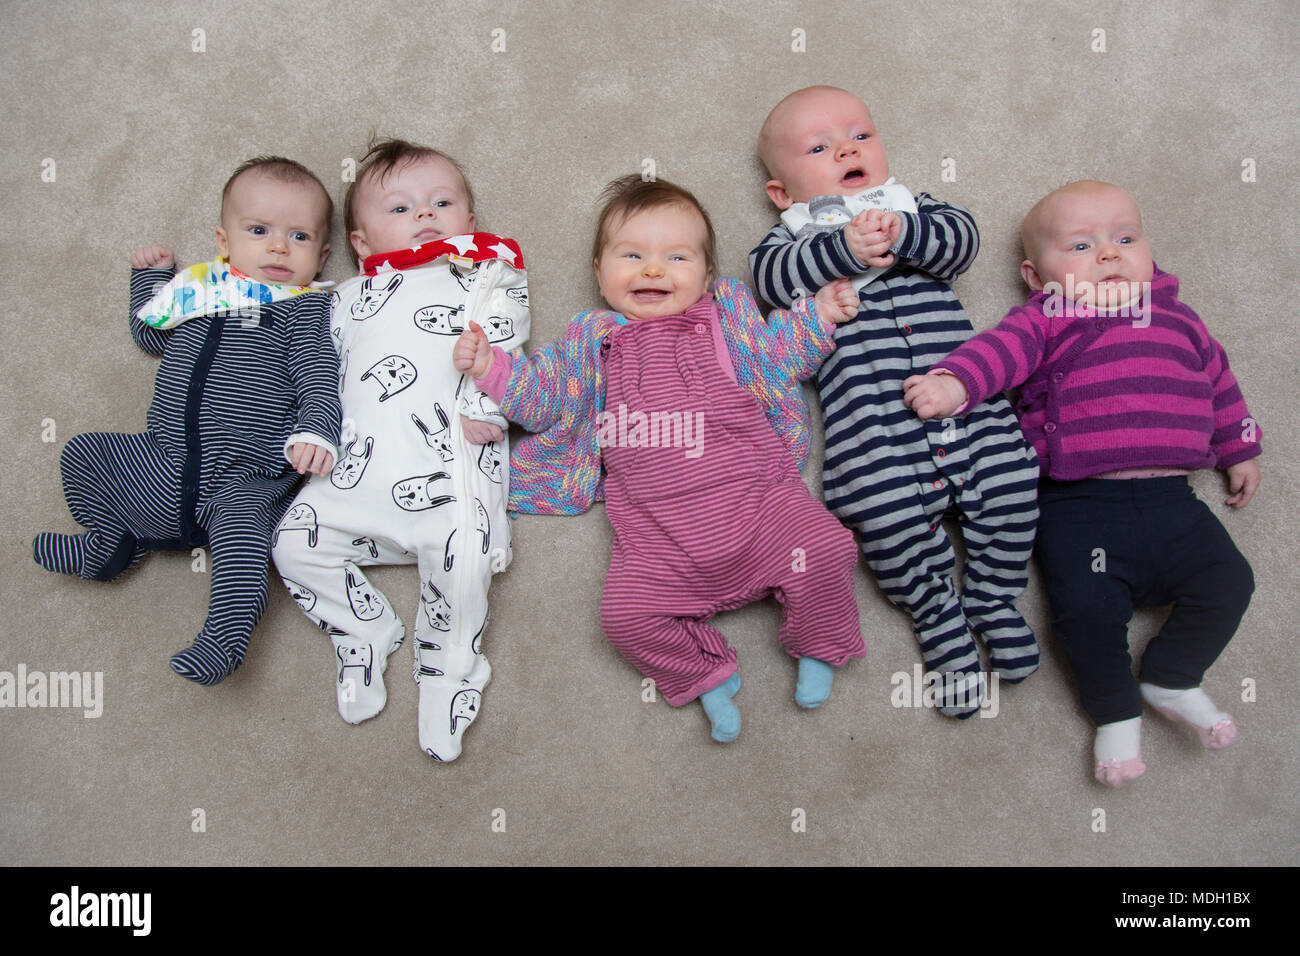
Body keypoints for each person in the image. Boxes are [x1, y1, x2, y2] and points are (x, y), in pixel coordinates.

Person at [455, 174, 864, 743]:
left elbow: (778, 358)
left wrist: (817, 315)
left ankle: (820, 643)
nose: (653, 270)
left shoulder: (726, 322)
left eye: (676, 257)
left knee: (826, 548)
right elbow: (548, 400)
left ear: (706, 276)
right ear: (600, 273)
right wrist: (491, 370)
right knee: (624, 618)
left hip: (761, 510)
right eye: (632, 255)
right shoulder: (590, 343)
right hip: (661, 539)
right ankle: (705, 675)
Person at [904, 180, 1260, 785]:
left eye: (1125, 238)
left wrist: (1239, 446)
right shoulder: (1048, 316)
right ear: (1036, 276)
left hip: (1175, 500)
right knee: (1086, 616)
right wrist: (955, 384)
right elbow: (999, 353)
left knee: (1231, 581)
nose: (1109, 254)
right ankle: (1116, 715)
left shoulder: (1182, 319)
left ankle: (1173, 675)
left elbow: (1218, 383)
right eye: (1081, 246)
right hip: (1078, 504)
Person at [750, 86, 1041, 717]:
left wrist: (906, 233)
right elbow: (769, 287)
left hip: (967, 399)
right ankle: (938, 618)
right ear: (782, 192)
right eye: (820, 147)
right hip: (872, 429)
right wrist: (843, 253)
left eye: (859, 135)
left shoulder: (915, 208)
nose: (847, 149)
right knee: (879, 516)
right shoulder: (790, 237)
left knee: (1015, 482)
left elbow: (963, 243)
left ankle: (992, 598)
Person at [33, 156, 341, 686]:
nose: (277, 247)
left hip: (246, 474)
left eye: (299, 237)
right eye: (259, 230)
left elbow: (317, 372)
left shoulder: (304, 308)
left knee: (245, 540)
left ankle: (224, 639)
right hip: (163, 457)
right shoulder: (201, 289)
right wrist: (149, 279)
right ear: (224, 241)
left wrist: (316, 430)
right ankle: (110, 545)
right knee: (83, 452)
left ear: (323, 254)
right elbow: (151, 333)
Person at [271, 139, 528, 762]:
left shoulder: (483, 269)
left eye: (443, 202)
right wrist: (309, 430)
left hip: (448, 461)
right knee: (291, 543)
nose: (425, 215)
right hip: (356, 470)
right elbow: (309, 368)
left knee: (462, 567)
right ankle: (362, 628)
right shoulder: (338, 298)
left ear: (469, 218)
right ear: (361, 243)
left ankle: (448, 671)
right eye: (401, 208)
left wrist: (489, 398)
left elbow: (506, 332)